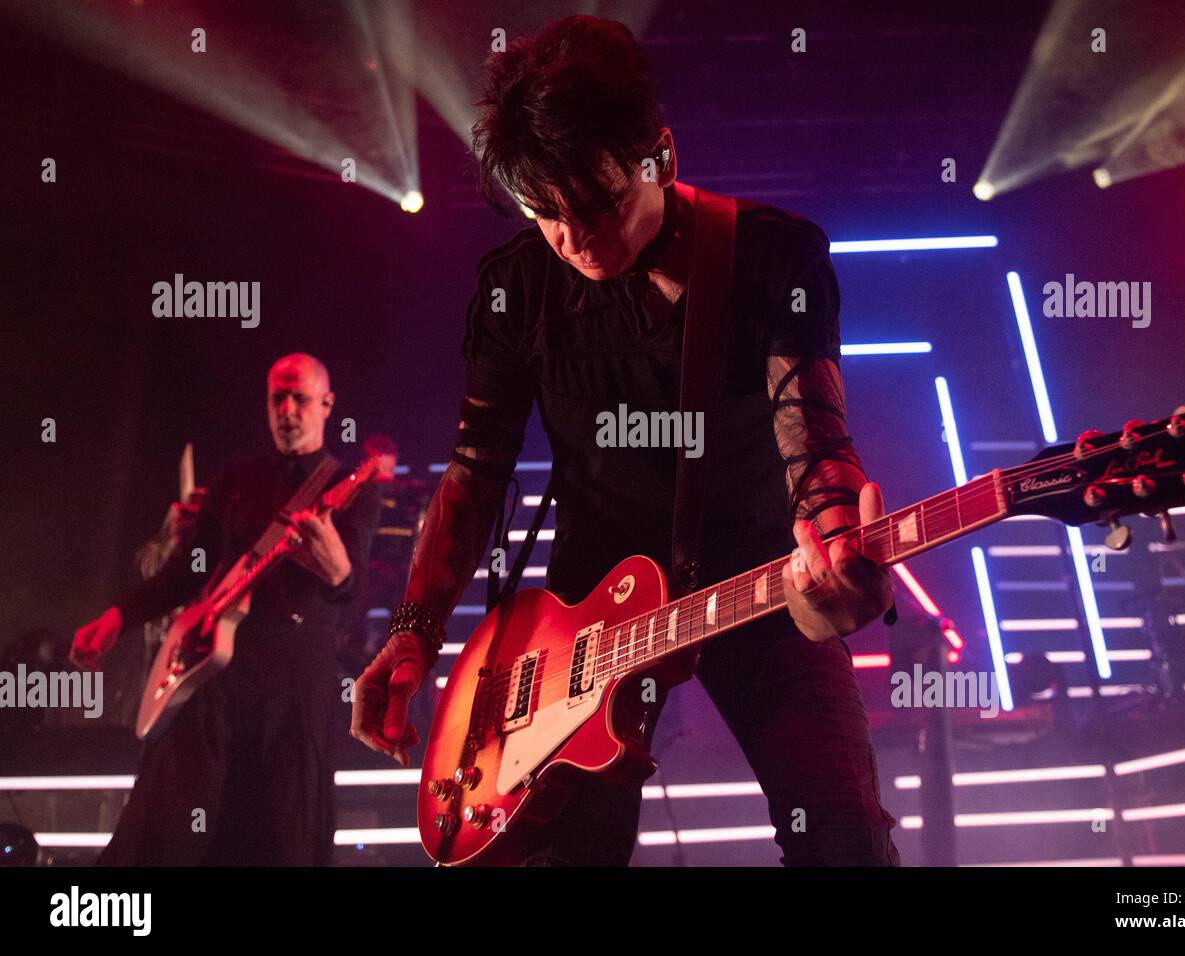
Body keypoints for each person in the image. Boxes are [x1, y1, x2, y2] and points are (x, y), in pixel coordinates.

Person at [352, 15, 900, 866]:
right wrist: (416, 627)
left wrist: (836, 542)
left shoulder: (771, 259)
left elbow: (813, 439)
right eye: (544, 212)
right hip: (579, 622)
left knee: (845, 837)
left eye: (598, 205)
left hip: (761, 579)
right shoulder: (516, 289)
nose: (573, 240)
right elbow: (474, 471)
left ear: (661, 157)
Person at [71, 352, 381, 865]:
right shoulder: (236, 476)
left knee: (279, 838)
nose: (286, 409)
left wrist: (340, 570)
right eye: (275, 397)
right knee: (171, 828)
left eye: (299, 398)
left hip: (292, 689)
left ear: (327, 405)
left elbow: (355, 593)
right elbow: (187, 571)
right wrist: (118, 617)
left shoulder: (347, 488)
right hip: (213, 679)